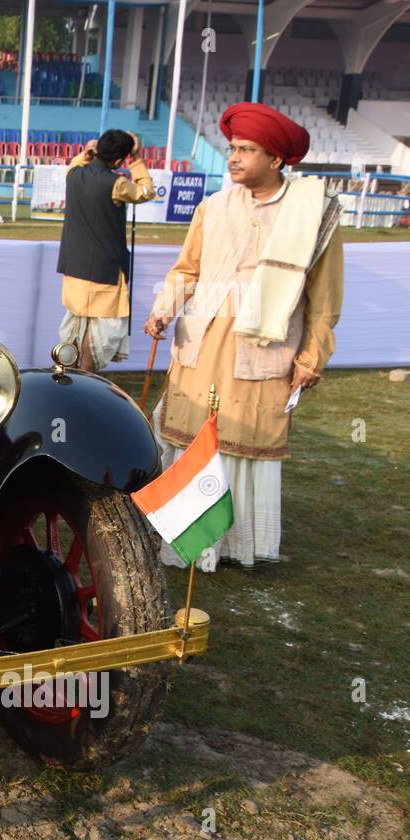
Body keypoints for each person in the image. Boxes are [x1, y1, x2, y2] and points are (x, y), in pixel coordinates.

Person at [144, 102, 344, 571]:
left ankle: (231, 546)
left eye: (247, 150)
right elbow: (186, 270)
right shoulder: (212, 207)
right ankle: (180, 537)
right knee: (190, 437)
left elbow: (325, 298)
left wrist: (312, 357)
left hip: (263, 348)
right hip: (201, 342)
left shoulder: (313, 216)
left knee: (239, 442)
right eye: (232, 148)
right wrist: (163, 309)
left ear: (276, 160)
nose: (233, 157)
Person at [56, 129, 156, 372]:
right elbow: (146, 192)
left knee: (77, 323)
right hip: (106, 269)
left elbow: (77, 162)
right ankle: (88, 380)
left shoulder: (73, 173)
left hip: (74, 266)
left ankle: (68, 375)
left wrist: (86, 153)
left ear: (96, 149)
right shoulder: (118, 184)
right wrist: (138, 159)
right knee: (99, 331)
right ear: (120, 161)